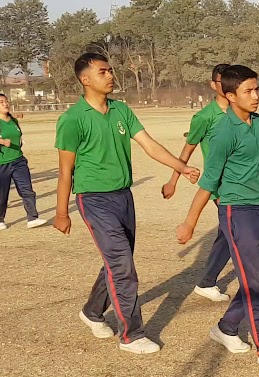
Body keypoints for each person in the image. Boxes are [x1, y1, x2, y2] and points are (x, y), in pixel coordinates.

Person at [56, 53, 199, 353]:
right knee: (123, 266)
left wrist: (181, 167)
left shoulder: (121, 111)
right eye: (102, 72)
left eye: (110, 71)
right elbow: (66, 170)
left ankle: (92, 312)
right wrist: (61, 212)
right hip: (93, 200)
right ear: (85, 79)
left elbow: (149, 145)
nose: (110, 76)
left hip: (123, 196)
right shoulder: (72, 119)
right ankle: (131, 335)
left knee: (116, 262)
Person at [176, 65, 259, 373]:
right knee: (255, 283)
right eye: (248, 91)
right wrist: (190, 222)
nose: (256, 96)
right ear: (230, 96)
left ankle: (227, 327)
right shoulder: (222, 132)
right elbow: (209, 182)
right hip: (235, 213)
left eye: (257, 89)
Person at [162, 64, 236, 303]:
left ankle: (207, 282)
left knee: (229, 231)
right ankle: (255, 288)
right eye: (220, 81)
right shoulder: (204, 117)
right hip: (220, 186)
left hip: (243, 182)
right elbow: (188, 149)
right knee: (235, 229)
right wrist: (174, 179)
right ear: (213, 84)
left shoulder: (241, 111)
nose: (225, 85)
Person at [0, 94, 45, 229]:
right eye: (1, 102)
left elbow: (17, 136)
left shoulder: (13, 120)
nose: (6, 104)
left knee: (27, 190)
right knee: (2, 193)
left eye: (6, 101)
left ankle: (32, 218)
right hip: (0, 164)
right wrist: (2, 141)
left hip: (18, 161)